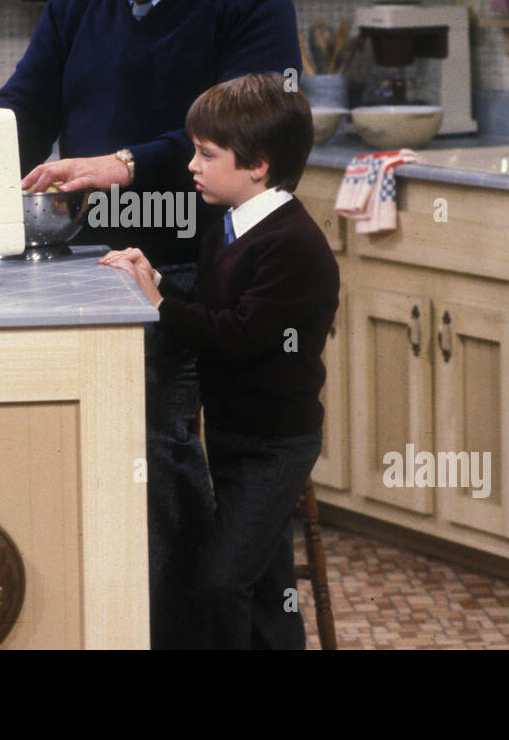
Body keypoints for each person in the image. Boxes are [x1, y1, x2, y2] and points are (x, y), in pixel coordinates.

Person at [0, 0, 301, 650]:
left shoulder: (250, 2)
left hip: (211, 270)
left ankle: (190, 630)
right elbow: (24, 108)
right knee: (76, 441)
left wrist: (123, 164)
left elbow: (249, 137)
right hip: (96, 268)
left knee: (150, 443)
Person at [99, 72, 340, 650]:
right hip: (234, 436)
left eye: (207, 155)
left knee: (220, 582)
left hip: (275, 444)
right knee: (266, 583)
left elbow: (238, 336)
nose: (192, 166)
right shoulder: (227, 229)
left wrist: (159, 304)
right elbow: (212, 312)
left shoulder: (291, 244)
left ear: (257, 165)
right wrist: (157, 280)